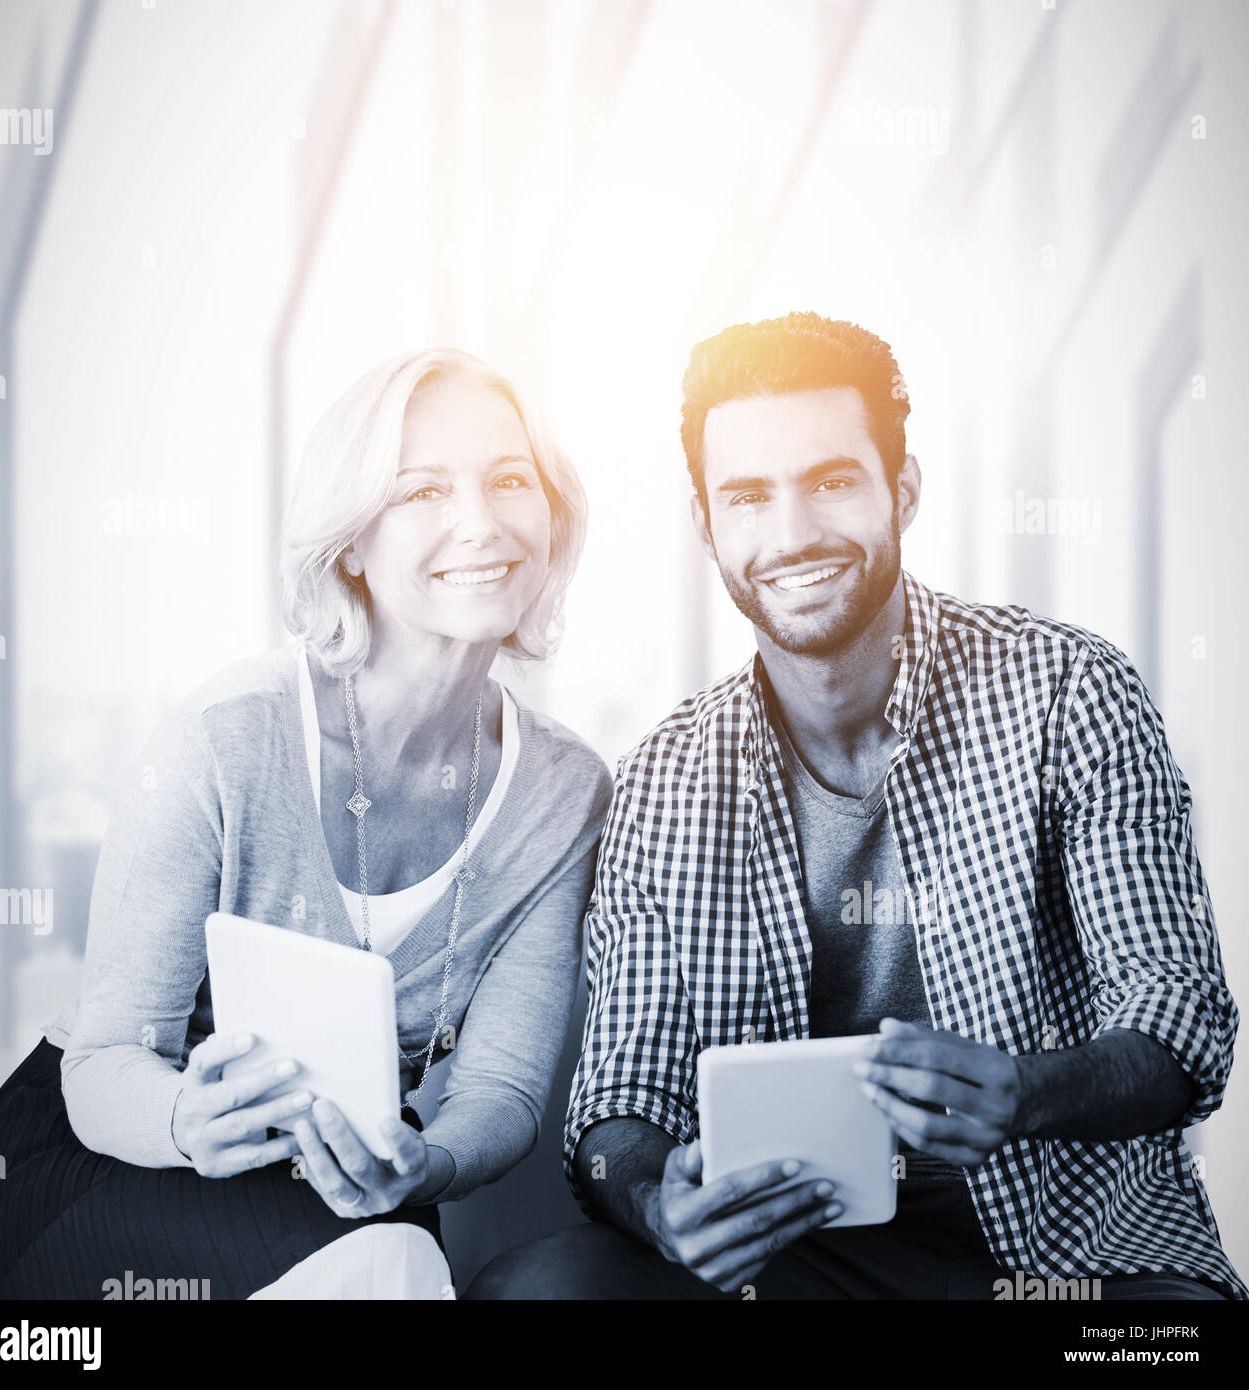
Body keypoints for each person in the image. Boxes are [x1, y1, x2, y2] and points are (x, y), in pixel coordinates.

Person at [467, 312, 1246, 1301]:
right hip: (798, 1271)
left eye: (832, 481)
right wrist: (658, 1200)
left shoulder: (1069, 691)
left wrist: (1030, 1093)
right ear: (709, 527)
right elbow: (622, 1096)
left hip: (1076, 1265)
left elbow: (1178, 1012)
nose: (791, 534)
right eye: (748, 496)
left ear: (902, 491)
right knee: (535, 1294)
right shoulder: (667, 775)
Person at [0, 348, 612, 1300]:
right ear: (350, 540)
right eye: (422, 491)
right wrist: (189, 1119)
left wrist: (429, 1167)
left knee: (395, 1254)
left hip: (345, 1174)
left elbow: (498, 1092)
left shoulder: (563, 791)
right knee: (386, 1266)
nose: (481, 522)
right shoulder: (227, 737)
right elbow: (103, 1065)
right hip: (116, 1157)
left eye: (510, 480)